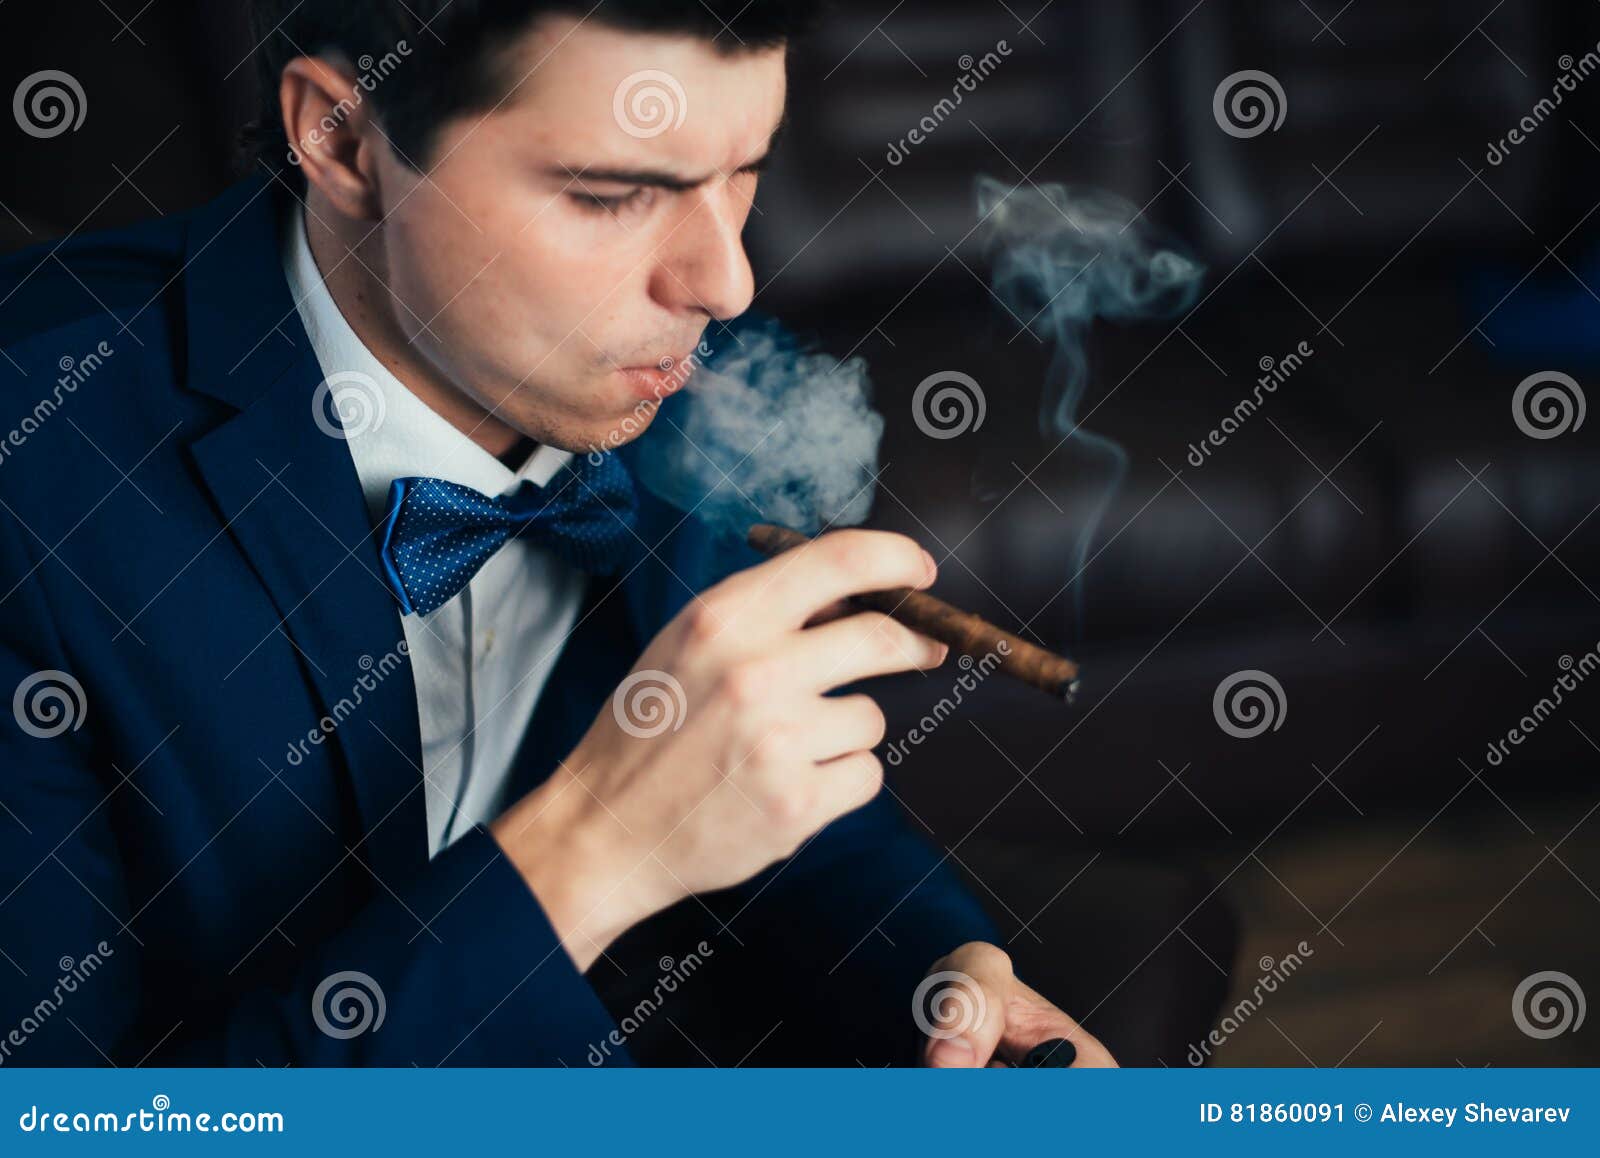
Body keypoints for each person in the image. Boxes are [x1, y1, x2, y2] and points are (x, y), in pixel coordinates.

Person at [0, 0, 1115, 1067]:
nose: (723, 283)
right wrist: (595, 851)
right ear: (342, 140)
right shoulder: (36, 471)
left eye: (744, 173)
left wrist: (941, 980)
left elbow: (748, 781)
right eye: (611, 194)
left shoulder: (653, 373)